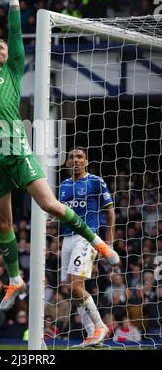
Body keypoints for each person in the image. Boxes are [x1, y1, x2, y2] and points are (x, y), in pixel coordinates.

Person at [0, 0, 119, 312]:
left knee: (49, 205)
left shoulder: (13, 69)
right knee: (2, 222)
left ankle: (99, 243)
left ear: (10, 58)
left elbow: (15, 32)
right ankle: (14, 279)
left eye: (1, 48)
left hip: (13, 145)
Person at [59, 148, 117, 346]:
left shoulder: (95, 181)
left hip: (87, 237)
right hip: (67, 238)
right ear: (67, 162)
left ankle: (101, 327)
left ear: (86, 161)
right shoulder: (63, 186)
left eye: (79, 157)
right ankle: (93, 335)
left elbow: (110, 213)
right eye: (71, 157)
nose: (75, 160)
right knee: (70, 289)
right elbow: (61, 215)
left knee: (76, 286)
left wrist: (108, 243)